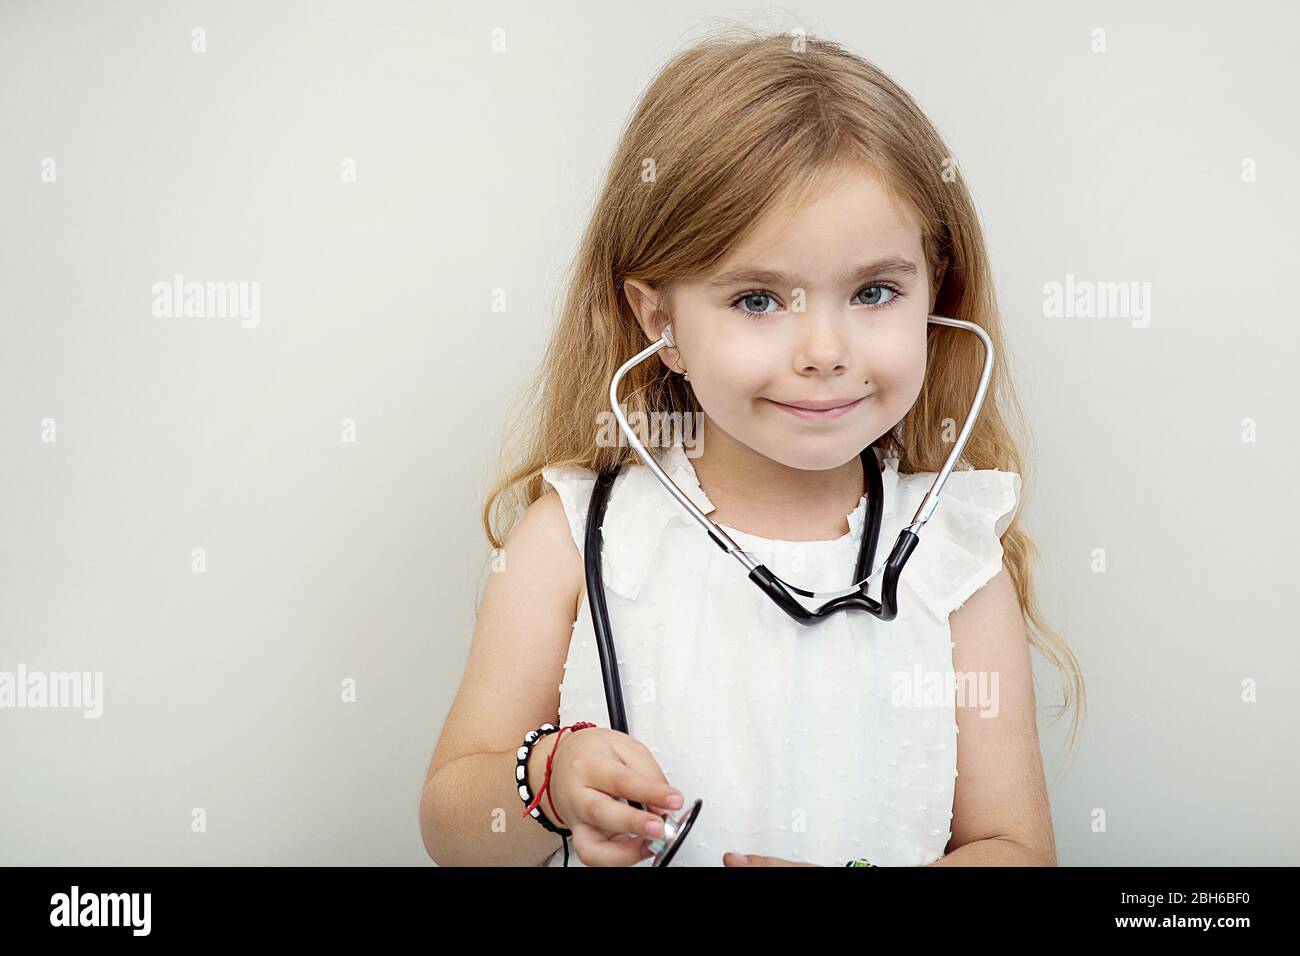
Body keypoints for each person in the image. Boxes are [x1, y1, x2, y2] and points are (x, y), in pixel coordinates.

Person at [420, 27, 1084, 868]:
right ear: (660, 322)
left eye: (874, 291)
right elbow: (451, 824)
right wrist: (547, 779)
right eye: (760, 300)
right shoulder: (574, 541)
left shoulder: (951, 560)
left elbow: (1014, 847)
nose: (824, 350)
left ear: (933, 294)